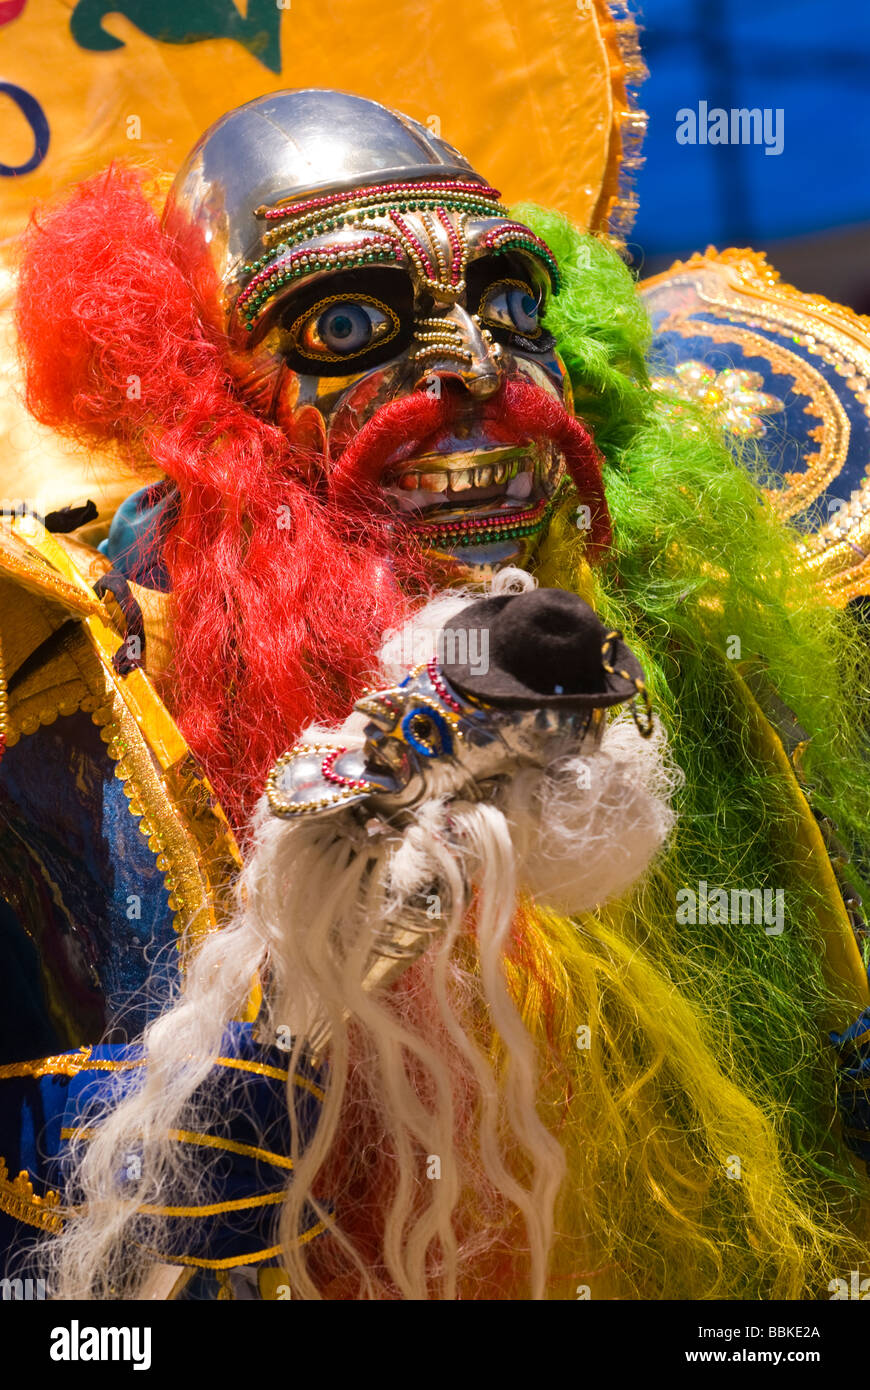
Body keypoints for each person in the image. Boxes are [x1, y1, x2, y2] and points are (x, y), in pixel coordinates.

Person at [2, 89, 869, 1298]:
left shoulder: (681, 645)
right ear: (206, 397)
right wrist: (306, 961)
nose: (474, 367)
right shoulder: (71, 702)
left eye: (513, 306)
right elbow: (61, 1226)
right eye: (351, 320)